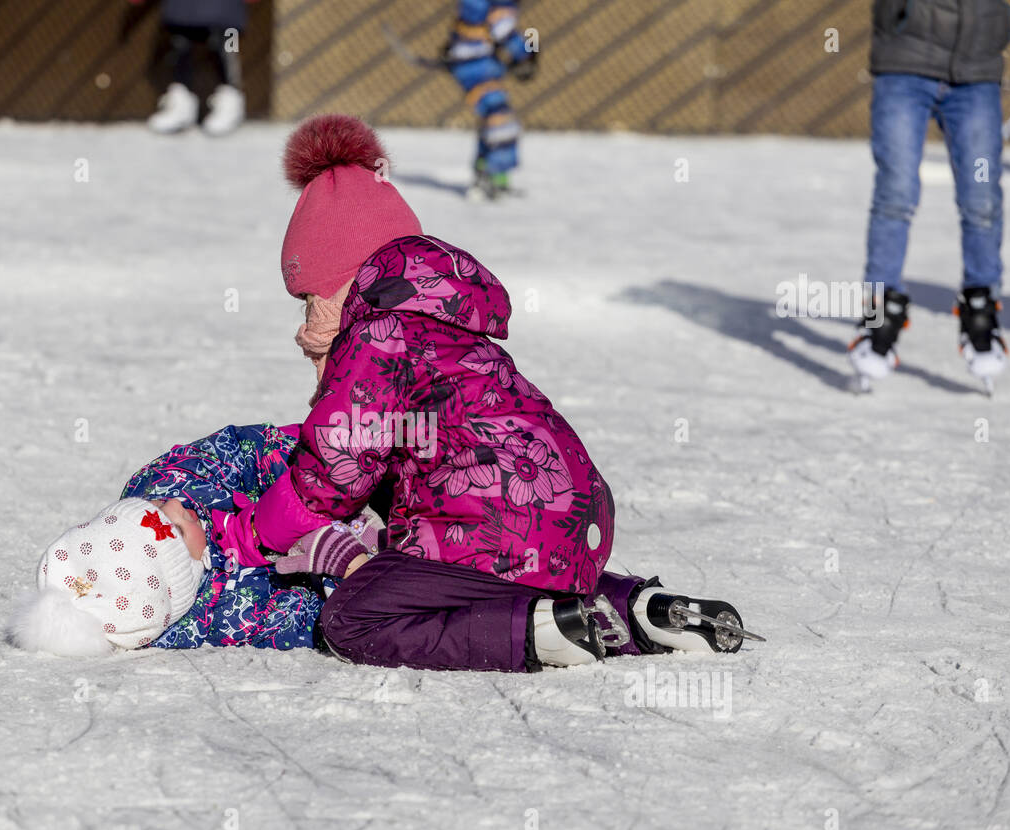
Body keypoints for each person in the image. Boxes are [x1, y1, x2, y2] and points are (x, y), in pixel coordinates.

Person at [207, 114, 755, 673]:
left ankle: (532, 636)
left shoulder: (376, 335)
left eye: (311, 299)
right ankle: (639, 609)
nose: (308, 323)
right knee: (503, 571)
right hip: (572, 521)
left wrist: (249, 532)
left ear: (347, 283)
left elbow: (330, 471)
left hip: (487, 527)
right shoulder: (454, 333)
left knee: (355, 618)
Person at [9, 423, 359, 657]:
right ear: (184, 577)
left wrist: (310, 474)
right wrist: (338, 568)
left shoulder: (168, 482)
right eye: (175, 532)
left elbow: (237, 449)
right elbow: (310, 619)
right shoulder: (226, 615)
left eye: (156, 507)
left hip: (325, 472)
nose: (176, 506)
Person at [850, 0, 1010, 393]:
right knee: (895, 194)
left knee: (981, 198)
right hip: (904, 65)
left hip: (977, 73)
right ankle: (879, 318)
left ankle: (982, 311)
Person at [442, 0, 536, 199]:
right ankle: (488, 177)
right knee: (498, 116)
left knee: (496, 117)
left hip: (479, 62)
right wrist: (527, 53)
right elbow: (503, 29)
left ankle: (494, 176)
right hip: (474, 65)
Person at [144, 0, 250, 136]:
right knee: (179, 41)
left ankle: (231, 99)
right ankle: (180, 103)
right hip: (182, 10)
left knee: (229, 43)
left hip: (229, 15)